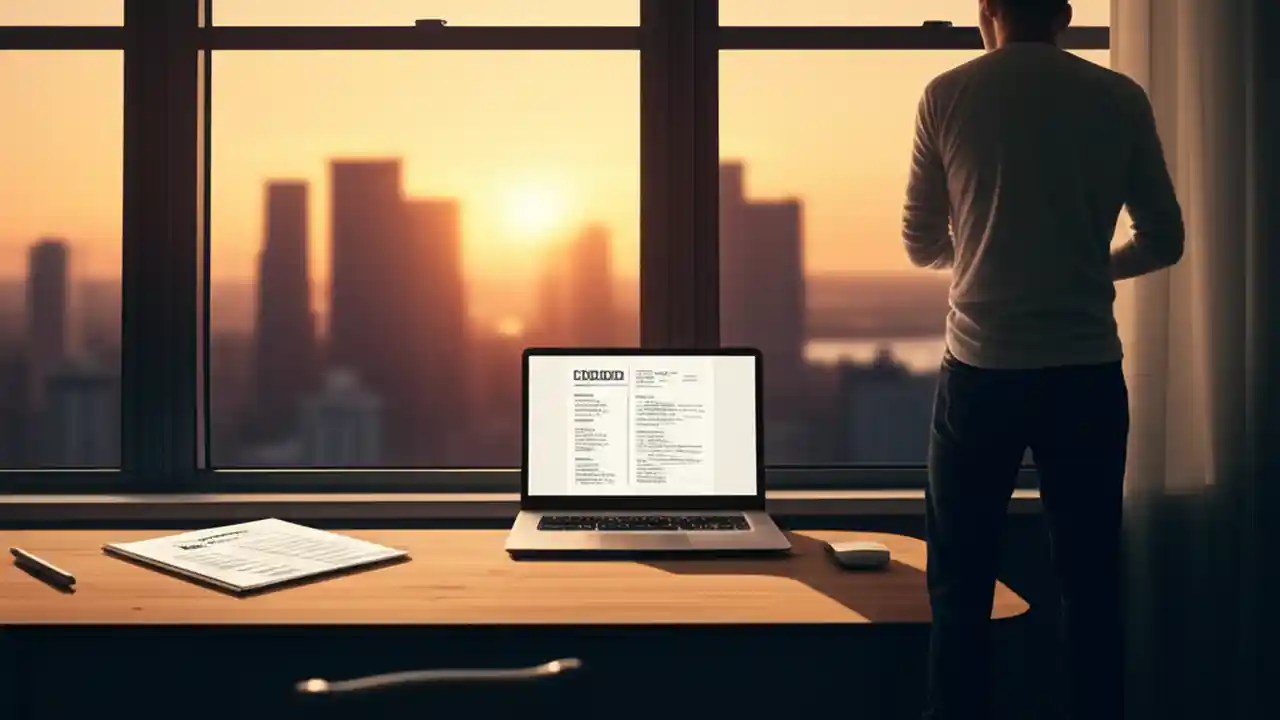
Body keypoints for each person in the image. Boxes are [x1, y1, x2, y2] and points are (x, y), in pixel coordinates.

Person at [902, 1, 1185, 718]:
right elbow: (1163, 239)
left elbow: (921, 242)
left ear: (986, 12)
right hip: (1083, 370)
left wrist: (990, 257)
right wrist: (1084, 268)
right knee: (1090, 585)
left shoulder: (949, 93)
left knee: (960, 586)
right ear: (1062, 13)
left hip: (980, 368)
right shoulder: (1118, 97)